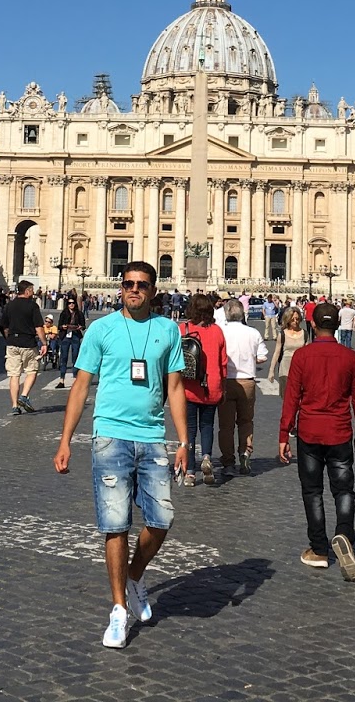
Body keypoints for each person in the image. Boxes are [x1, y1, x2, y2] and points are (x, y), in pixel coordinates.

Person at [53, 262, 189, 649]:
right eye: (128, 284)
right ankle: (118, 608)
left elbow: (175, 387)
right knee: (115, 524)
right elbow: (80, 388)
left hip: (152, 436)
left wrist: (183, 440)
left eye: (141, 285)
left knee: (162, 519)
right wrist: (65, 440)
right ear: (120, 288)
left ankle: (133, 574)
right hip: (110, 435)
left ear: (153, 289)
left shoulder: (167, 330)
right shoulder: (101, 329)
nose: (134, 290)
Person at [278, 302, 355, 581]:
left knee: (312, 491)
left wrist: (284, 434)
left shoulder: (302, 357)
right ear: (337, 324)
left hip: (309, 432)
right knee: (344, 491)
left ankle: (319, 550)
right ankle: (344, 537)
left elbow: (291, 398)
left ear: (312, 325)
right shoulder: (350, 357)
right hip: (340, 432)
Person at [178, 294, 227, 486]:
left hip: (188, 387)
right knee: (207, 426)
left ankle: (190, 472)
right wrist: (223, 386)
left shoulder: (183, 329)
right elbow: (223, 363)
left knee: (189, 430)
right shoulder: (217, 331)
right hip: (211, 387)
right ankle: (206, 457)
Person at [217, 299, 269, 477]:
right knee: (246, 421)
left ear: (226, 313)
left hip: (226, 381)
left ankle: (228, 462)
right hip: (247, 381)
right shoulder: (253, 332)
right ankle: (245, 452)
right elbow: (262, 357)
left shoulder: (220, 332)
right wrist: (249, 360)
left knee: (226, 426)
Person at [2, 279, 48, 415]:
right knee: (32, 370)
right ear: (27, 291)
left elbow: (4, 326)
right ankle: (24, 395)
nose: (33, 293)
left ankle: (15, 406)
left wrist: (9, 338)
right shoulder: (32, 306)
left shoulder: (9, 305)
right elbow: (39, 327)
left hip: (12, 343)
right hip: (28, 342)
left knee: (14, 375)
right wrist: (44, 343)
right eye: (32, 290)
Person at [267, 306, 308, 391]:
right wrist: (271, 371)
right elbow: (277, 353)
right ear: (288, 319)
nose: (295, 322)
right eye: (292, 319)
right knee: (286, 399)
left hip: (301, 370)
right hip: (285, 369)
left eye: (297, 319)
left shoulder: (304, 334)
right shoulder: (282, 334)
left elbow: (308, 354)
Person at [54, 294, 87, 388]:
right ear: (67, 304)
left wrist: (81, 327)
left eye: (73, 303)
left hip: (75, 335)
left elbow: (83, 325)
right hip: (66, 336)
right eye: (69, 303)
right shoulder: (64, 313)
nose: (71, 305)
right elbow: (59, 325)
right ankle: (62, 379)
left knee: (75, 357)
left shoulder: (79, 313)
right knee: (63, 357)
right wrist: (63, 327)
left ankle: (75, 379)